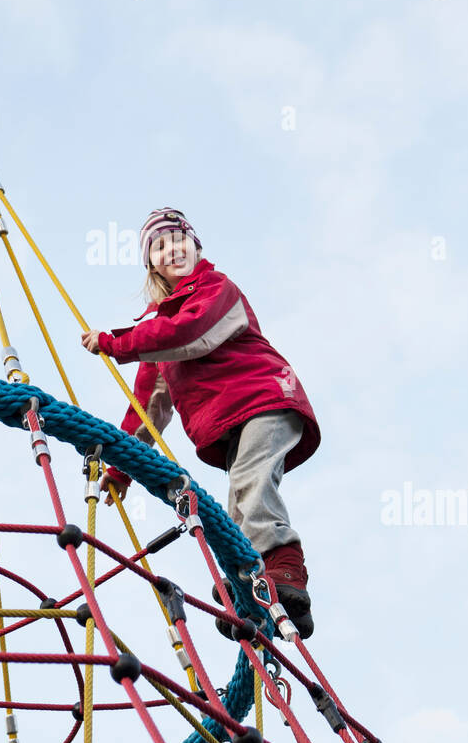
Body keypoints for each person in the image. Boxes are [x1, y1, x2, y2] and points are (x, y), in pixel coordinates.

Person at [80, 207, 321, 639]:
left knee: (250, 480)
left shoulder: (215, 289)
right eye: (159, 245)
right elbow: (149, 406)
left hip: (265, 397)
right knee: (236, 503)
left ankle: (284, 565)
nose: (171, 249)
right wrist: (120, 469)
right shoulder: (158, 325)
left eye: (179, 239)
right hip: (233, 420)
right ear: (151, 264)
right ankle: (256, 590)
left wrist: (117, 342)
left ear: (195, 246)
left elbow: (194, 335)